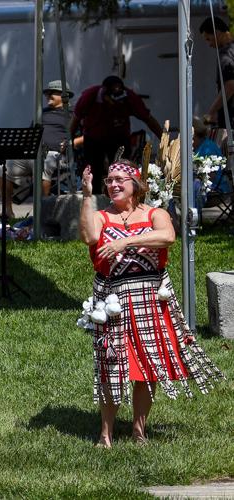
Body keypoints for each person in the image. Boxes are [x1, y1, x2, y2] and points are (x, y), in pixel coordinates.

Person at [79, 160, 224, 448]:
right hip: (113, 301)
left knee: (145, 367)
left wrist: (125, 243)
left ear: (136, 184)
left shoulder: (155, 213)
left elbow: (168, 236)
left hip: (149, 299)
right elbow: (89, 236)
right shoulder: (102, 216)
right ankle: (105, 434)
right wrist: (86, 195)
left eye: (120, 179)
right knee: (112, 365)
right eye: (108, 180)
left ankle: (138, 431)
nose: (113, 184)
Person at [0, 80, 83, 217]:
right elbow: (31, 135)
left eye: (52, 93)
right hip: (33, 153)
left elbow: (88, 135)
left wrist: (72, 142)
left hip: (57, 155)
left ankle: (42, 211)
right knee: (4, 167)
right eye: (47, 93)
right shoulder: (42, 113)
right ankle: (7, 211)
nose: (48, 96)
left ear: (64, 95)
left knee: (43, 162)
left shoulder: (74, 113)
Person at [70, 76, 164, 194]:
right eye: (114, 99)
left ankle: (122, 196)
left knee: (122, 169)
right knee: (94, 171)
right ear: (105, 94)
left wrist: (163, 138)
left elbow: (148, 119)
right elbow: (75, 119)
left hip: (119, 138)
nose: (117, 103)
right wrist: (69, 139)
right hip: (93, 138)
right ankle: (94, 198)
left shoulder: (130, 97)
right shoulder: (90, 95)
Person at [200, 17, 234, 127]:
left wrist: (211, 112)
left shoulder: (225, 54)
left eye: (208, 39)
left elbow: (230, 85)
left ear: (217, 32)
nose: (209, 44)